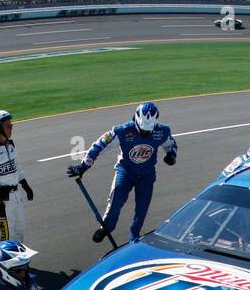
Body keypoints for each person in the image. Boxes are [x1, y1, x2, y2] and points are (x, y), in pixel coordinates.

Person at [67, 102, 177, 244]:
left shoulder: (162, 131)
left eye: (148, 131)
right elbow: (100, 145)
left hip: (147, 175)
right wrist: (83, 166)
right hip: (126, 172)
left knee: (142, 209)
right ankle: (106, 227)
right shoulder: (122, 131)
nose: (145, 133)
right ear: (136, 121)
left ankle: (134, 237)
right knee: (116, 199)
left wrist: (171, 156)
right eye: (142, 130)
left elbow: (171, 145)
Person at [0, 109, 33, 243]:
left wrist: (25, 185)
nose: (11, 128)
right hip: (2, 201)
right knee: (6, 235)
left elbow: (17, 167)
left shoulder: (10, 146)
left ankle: (19, 261)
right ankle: (4, 263)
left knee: (20, 230)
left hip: (16, 196)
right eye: (8, 126)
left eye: (11, 125)